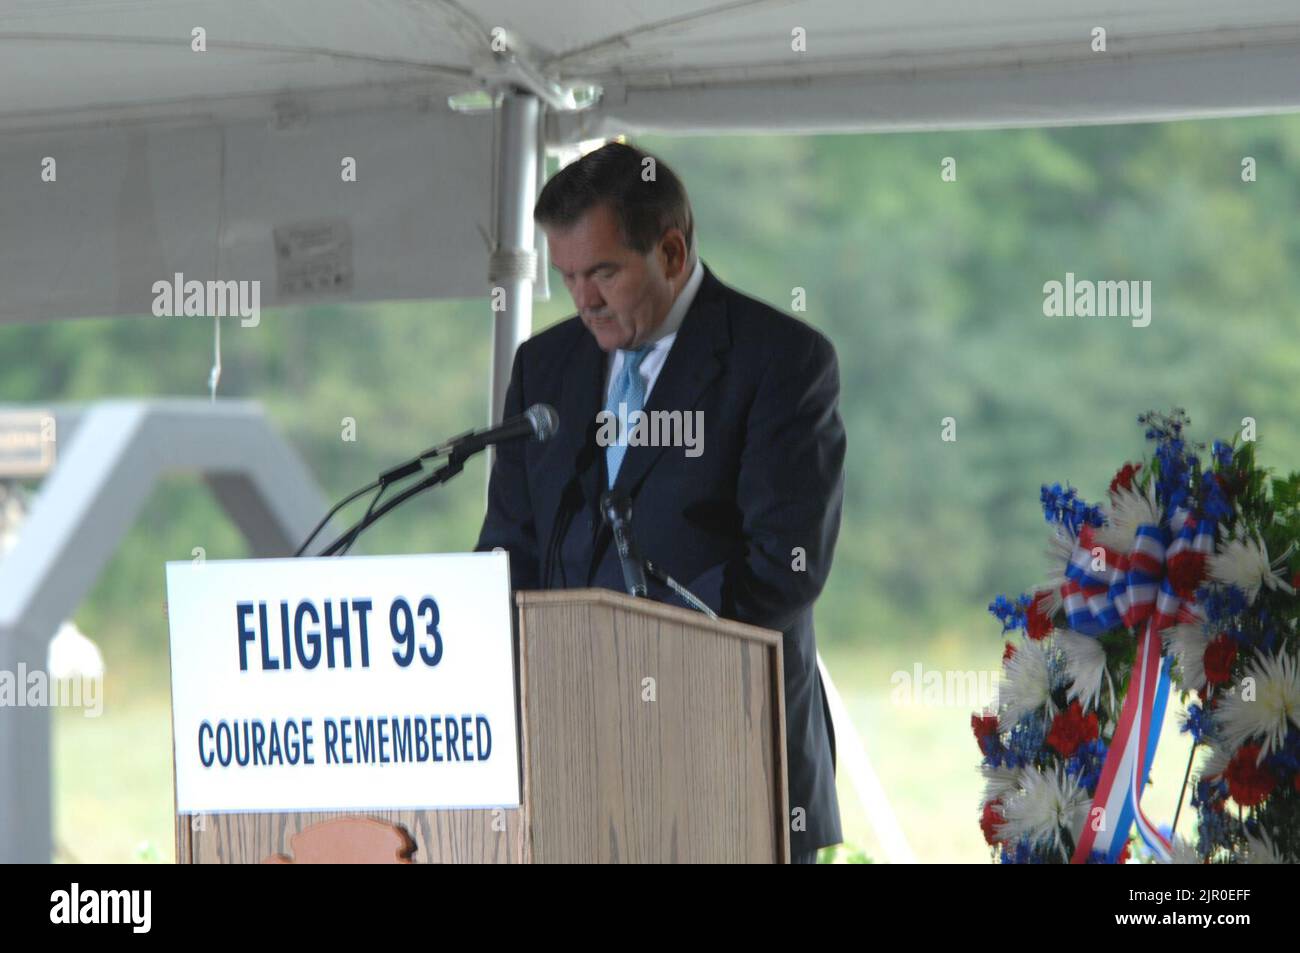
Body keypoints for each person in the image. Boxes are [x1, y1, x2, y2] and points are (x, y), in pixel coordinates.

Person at [476, 141, 846, 862]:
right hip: (571, 761)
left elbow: (786, 568)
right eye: (567, 276)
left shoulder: (782, 361)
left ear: (672, 252)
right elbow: (509, 548)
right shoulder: (543, 368)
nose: (583, 299)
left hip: (731, 750)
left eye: (604, 272)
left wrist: (628, 658)